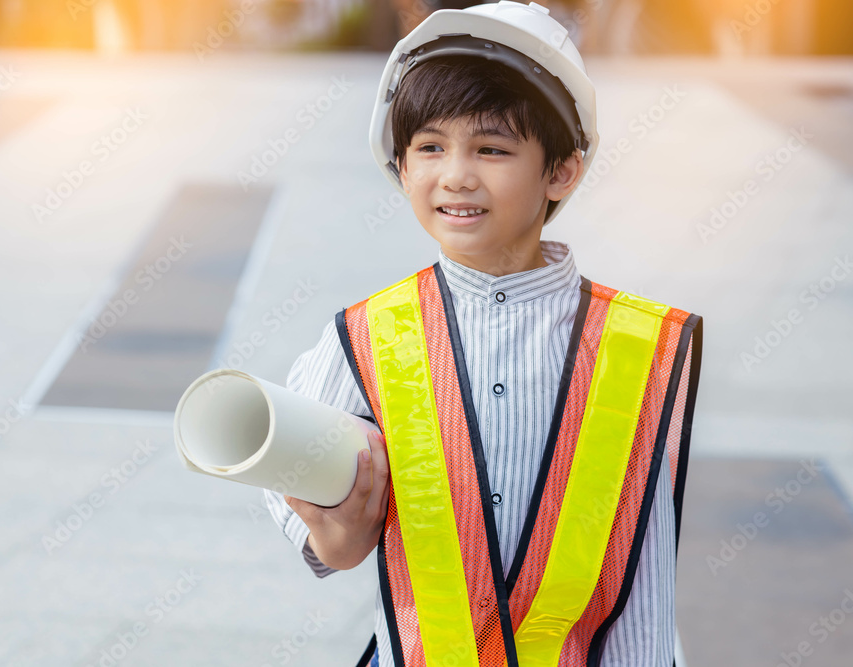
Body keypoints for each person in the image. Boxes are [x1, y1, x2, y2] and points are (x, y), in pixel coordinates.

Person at [263, 2, 703, 666]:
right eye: (431, 147)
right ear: (402, 167)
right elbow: (305, 497)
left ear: (561, 170)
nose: (457, 173)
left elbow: (642, 579)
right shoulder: (366, 333)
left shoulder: (635, 346)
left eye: (491, 148)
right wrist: (328, 531)